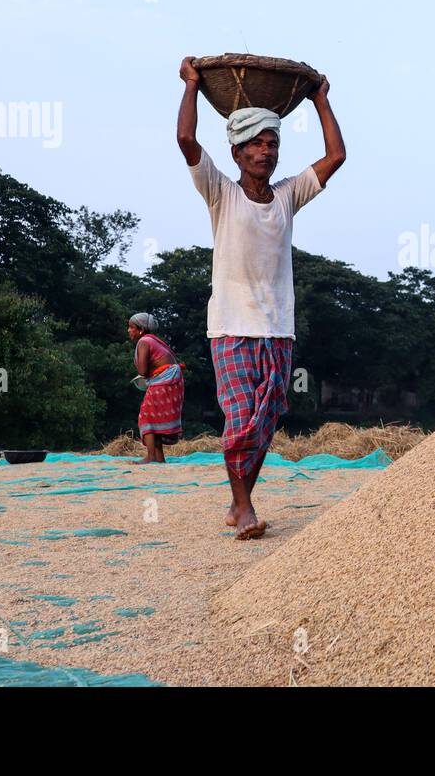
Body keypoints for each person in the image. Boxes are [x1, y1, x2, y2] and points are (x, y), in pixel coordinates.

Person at [176, 56, 345, 539]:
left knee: (265, 423)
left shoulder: (288, 196)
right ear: (236, 153)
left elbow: (336, 157)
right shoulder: (221, 194)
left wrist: (320, 100)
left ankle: (237, 502)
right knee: (240, 419)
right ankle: (246, 508)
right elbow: (187, 141)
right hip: (231, 326)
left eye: (272, 144)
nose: (266, 152)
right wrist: (190, 85)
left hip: (278, 329)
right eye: (255, 144)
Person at [128, 312, 184, 464]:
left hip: (164, 381)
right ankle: (159, 458)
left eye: (131, 327)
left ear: (140, 330)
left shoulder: (144, 341)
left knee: (146, 418)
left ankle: (151, 456)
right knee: (155, 419)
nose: (128, 330)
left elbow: (143, 371)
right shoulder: (154, 340)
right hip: (172, 381)